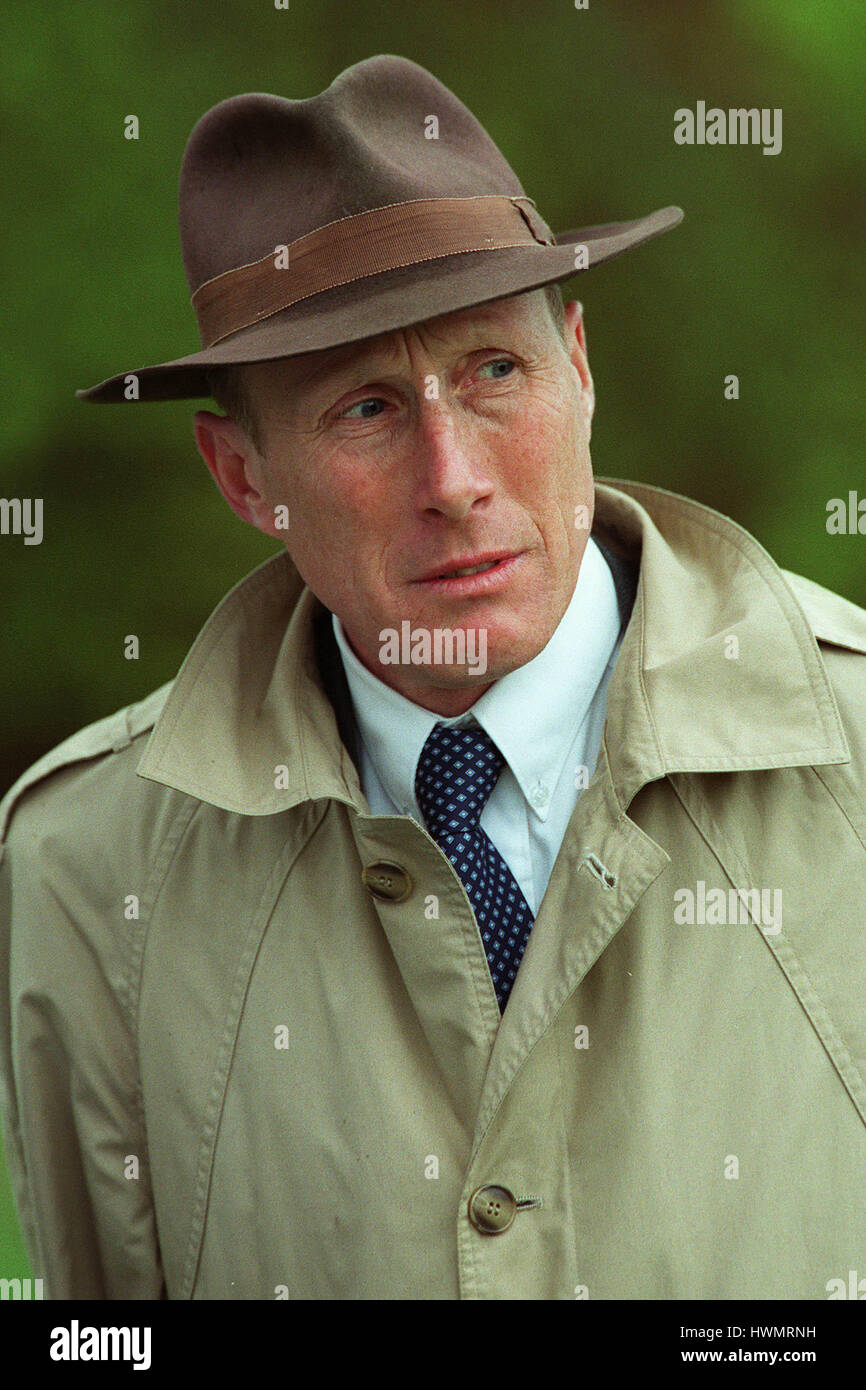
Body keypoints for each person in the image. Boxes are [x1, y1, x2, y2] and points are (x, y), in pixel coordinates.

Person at [2, 53, 865, 1302]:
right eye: (363, 408)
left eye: (492, 372)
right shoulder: (88, 867)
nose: (451, 476)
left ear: (577, 364)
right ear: (244, 479)